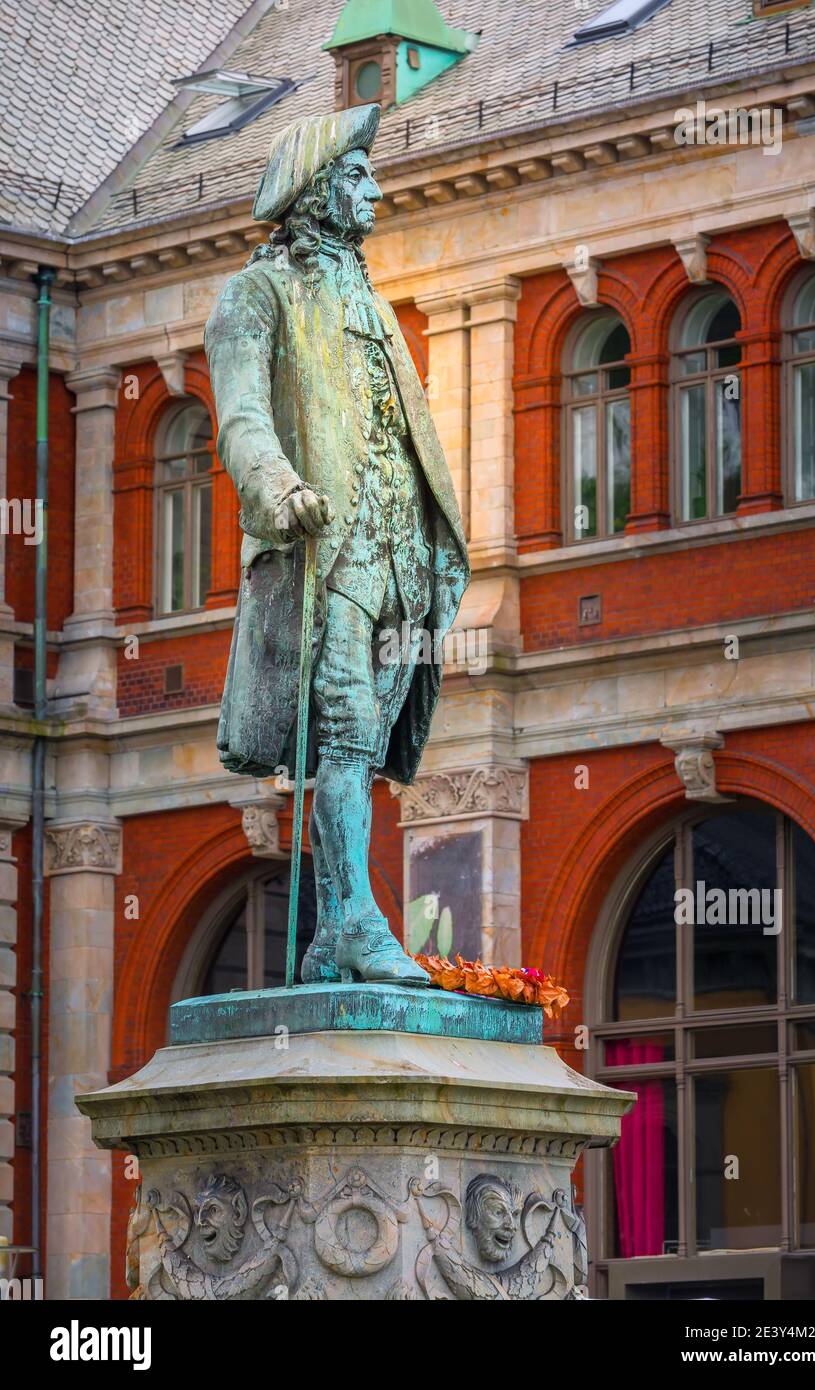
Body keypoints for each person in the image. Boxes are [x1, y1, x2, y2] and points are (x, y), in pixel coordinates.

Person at [205, 103, 470, 985]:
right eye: (357, 177)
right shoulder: (257, 294)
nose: (376, 191)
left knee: (367, 745)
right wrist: (281, 489)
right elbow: (240, 419)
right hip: (326, 551)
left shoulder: (375, 307)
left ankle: (332, 935)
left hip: (399, 556)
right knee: (346, 734)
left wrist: (433, 545)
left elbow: (405, 435)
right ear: (315, 191)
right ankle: (353, 921)